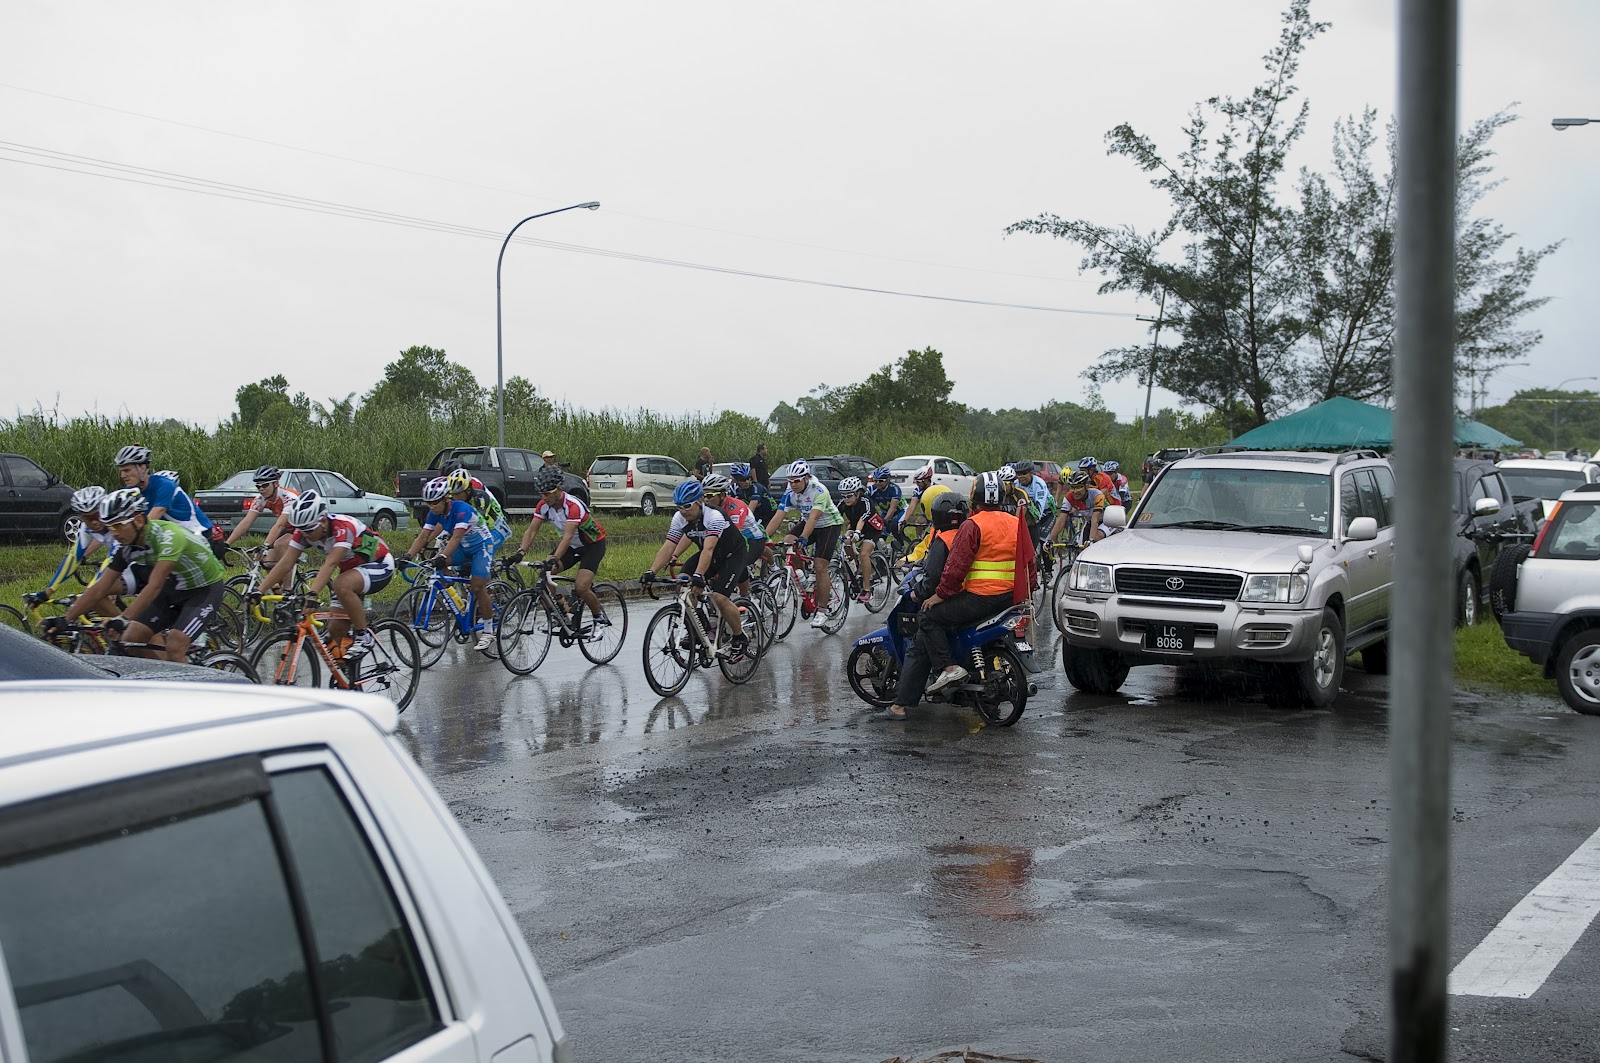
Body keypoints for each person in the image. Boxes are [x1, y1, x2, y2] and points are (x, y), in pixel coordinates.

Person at [53, 487, 226, 663]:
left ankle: (194, 688)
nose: (114, 533)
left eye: (118, 525)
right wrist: (66, 619)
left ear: (137, 520)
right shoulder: (126, 547)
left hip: (204, 590)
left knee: (175, 645)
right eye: (110, 526)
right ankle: (162, 678)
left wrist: (123, 617)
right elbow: (100, 588)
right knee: (131, 639)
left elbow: (154, 585)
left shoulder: (168, 537)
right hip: (173, 589)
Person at [919, 472, 1035, 695]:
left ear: (974, 496)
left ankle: (949, 667)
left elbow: (956, 567)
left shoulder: (972, 525)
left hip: (980, 599)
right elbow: (1029, 561)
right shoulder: (1017, 523)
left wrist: (940, 595)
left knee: (928, 617)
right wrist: (1029, 591)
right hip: (1011, 598)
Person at [261, 490, 394, 659]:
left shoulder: (342, 528)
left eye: (309, 530)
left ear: (322, 520)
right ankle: (348, 679)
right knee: (335, 630)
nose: (305, 535)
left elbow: (330, 564)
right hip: (352, 571)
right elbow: (286, 563)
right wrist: (259, 590)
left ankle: (363, 635)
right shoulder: (304, 532)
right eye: (301, 530)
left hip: (379, 564)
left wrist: (313, 594)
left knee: (340, 584)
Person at [881, 492, 970, 719]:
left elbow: (931, 579)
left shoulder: (943, 540)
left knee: (918, 646)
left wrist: (915, 594)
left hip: (949, 599)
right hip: (974, 596)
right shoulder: (969, 532)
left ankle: (899, 706)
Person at [641, 480, 749, 656]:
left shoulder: (714, 516)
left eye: (687, 506)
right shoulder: (680, 518)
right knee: (682, 582)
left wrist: (699, 575)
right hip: (711, 555)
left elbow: (709, 548)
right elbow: (669, 545)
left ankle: (739, 637)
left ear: (699, 502)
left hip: (732, 555)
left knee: (719, 597)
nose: (683, 511)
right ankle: (700, 626)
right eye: (679, 507)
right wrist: (651, 571)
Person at [512, 465, 611, 631]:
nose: (543, 498)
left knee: (581, 587)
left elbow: (567, 536)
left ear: (558, 489)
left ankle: (599, 619)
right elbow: (531, 531)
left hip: (592, 545)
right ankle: (560, 612)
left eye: (547, 493)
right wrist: (520, 552)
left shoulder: (573, 505)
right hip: (572, 547)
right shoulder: (543, 506)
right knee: (545, 577)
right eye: (541, 494)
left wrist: (554, 559)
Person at [405, 476, 498, 650]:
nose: (432, 507)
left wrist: (442, 555)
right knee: (439, 566)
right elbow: (423, 536)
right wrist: (407, 556)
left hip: (481, 546)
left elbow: (456, 537)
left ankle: (488, 631)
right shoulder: (435, 513)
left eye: (435, 503)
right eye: (429, 503)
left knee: (477, 586)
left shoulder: (462, 509)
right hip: (464, 547)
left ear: (446, 498)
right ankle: (459, 603)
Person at [764, 459, 845, 630]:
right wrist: (763, 537)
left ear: (806, 478)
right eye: (790, 481)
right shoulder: (789, 491)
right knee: (787, 543)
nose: (792, 484)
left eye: (796, 481)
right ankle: (804, 575)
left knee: (820, 565)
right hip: (809, 521)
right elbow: (779, 516)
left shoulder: (818, 490)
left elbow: (814, 518)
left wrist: (804, 537)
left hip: (829, 524)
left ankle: (822, 610)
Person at [114, 444, 227, 559]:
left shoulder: (164, 485)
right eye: (121, 471)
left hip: (199, 536)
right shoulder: (131, 492)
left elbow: (149, 523)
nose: (123, 475)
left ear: (142, 468)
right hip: (175, 538)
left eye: (127, 470)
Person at [701, 473, 766, 594]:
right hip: (736, 541)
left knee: (736, 561)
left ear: (722, 495)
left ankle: (746, 597)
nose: (705, 500)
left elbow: (733, 536)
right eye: (703, 495)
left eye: (709, 495)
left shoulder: (735, 507)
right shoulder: (708, 509)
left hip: (753, 540)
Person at [224, 465, 299, 562]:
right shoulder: (260, 499)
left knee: (280, 545)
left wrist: (265, 545)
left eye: (265, 485)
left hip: (304, 528)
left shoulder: (289, 497)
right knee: (265, 560)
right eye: (258, 486)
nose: (261, 489)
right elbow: (246, 522)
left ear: (276, 483)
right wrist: (227, 544)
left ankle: (289, 575)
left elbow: (280, 525)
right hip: (289, 528)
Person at [836, 476, 883, 603]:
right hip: (855, 526)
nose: (846, 499)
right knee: (846, 543)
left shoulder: (866, 501)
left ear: (857, 493)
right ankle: (857, 567)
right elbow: (835, 517)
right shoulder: (843, 503)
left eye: (849, 496)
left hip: (871, 528)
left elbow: (863, 518)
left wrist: (857, 533)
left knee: (864, 554)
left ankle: (867, 590)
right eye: (843, 496)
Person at [446, 466, 511, 558]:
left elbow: (477, 521)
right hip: (479, 532)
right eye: (452, 494)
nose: (454, 498)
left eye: (457, 494)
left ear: (467, 491)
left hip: (496, 529)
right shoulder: (459, 501)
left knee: (477, 554)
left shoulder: (480, 497)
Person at [904, 465, 952, 563]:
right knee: (919, 522)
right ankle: (920, 541)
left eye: (918, 482)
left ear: (926, 480)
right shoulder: (918, 491)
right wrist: (904, 520)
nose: (917, 484)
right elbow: (912, 506)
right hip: (927, 513)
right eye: (915, 482)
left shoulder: (937, 488)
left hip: (938, 514)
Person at [1048, 471, 1109, 545]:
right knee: (1081, 547)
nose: (1075, 491)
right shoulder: (1069, 497)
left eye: (1078, 487)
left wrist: (1091, 540)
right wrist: (1049, 540)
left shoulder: (1097, 495)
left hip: (1107, 521)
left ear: (1086, 486)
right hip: (1089, 521)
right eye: (1072, 488)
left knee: (1096, 537)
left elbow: (1095, 519)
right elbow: (1061, 520)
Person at [1012, 460, 1056, 552]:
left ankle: (1048, 565)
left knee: (1044, 542)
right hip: (1030, 514)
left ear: (1031, 473)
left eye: (1024, 473)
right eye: (1018, 474)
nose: (1021, 477)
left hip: (1046, 514)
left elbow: (1039, 510)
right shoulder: (1016, 484)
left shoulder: (1039, 484)